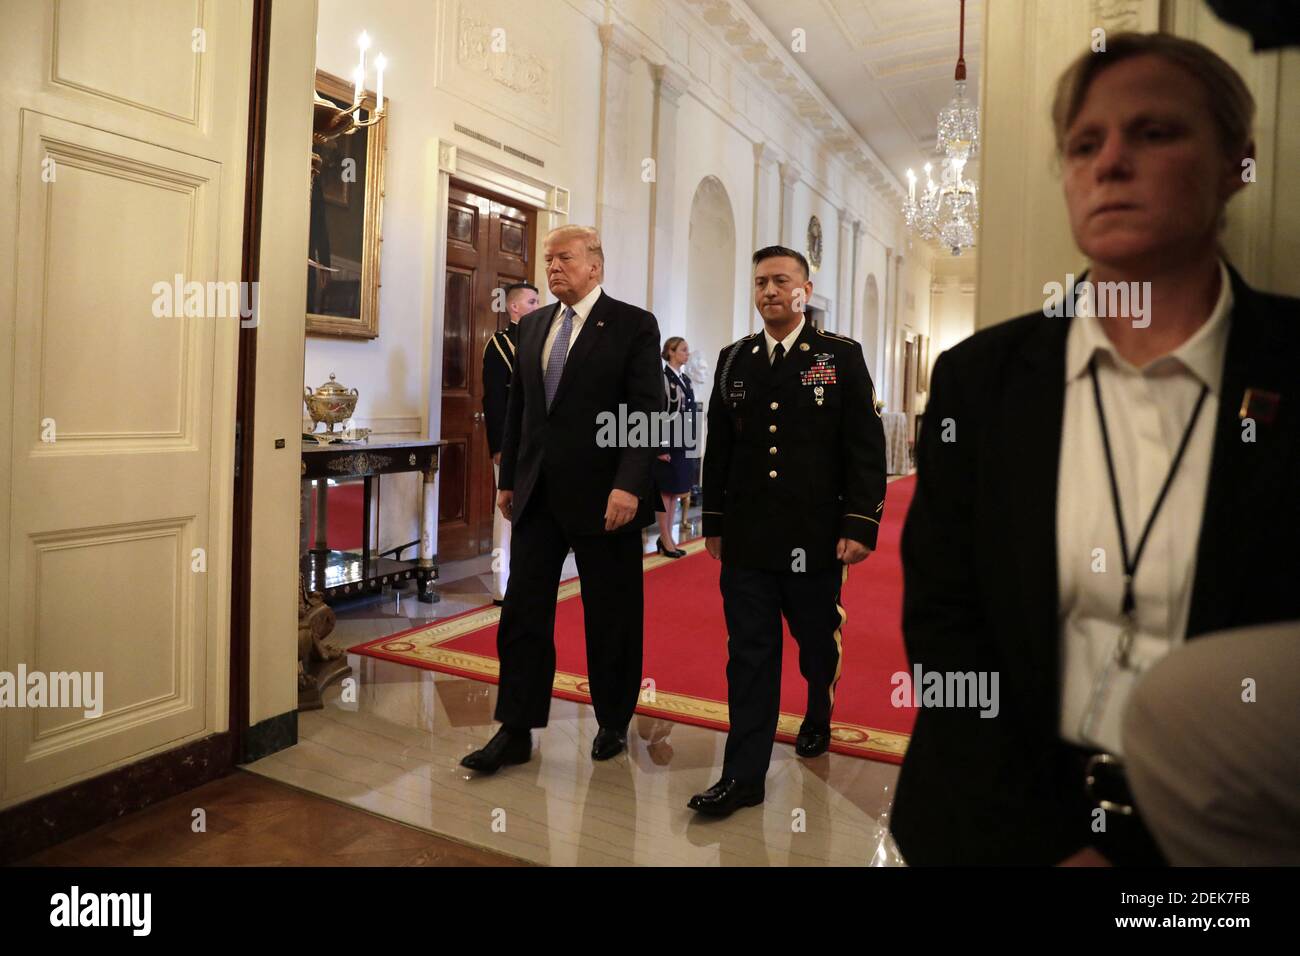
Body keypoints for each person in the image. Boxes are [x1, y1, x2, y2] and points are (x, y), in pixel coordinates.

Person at [890, 33, 1300, 865]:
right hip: (989, 821)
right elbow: (944, 625)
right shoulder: (983, 379)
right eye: (1085, 144)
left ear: (1236, 164)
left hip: (1219, 836)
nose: (1109, 162)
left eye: (1153, 133)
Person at [688, 245, 887, 816]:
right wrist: (716, 523)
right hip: (749, 539)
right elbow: (719, 451)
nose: (769, 291)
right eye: (760, 283)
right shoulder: (734, 360)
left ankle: (818, 712)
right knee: (749, 655)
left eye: (780, 281)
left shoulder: (838, 357)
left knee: (816, 643)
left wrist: (860, 523)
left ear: (805, 289)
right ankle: (743, 775)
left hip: (814, 537)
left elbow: (863, 448)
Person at [461, 226, 663, 773]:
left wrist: (629, 483)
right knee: (524, 613)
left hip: (606, 498)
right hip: (537, 496)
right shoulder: (534, 328)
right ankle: (517, 728)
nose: (553, 267)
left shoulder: (632, 325)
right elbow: (521, 410)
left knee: (611, 614)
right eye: (548, 259)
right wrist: (508, 479)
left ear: (595, 265)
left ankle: (613, 720)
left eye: (565, 257)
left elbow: (646, 413)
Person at [482, 281, 539, 604]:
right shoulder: (499, 344)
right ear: (514, 307)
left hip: (539, 441)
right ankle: (501, 585)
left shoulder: (543, 339)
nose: (537, 306)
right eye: (531, 301)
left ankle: (526, 578)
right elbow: (493, 400)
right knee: (505, 513)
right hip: (511, 443)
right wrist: (499, 447)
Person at [651, 336, 696, 558]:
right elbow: (657, 413)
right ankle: (665, 538)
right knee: (665, 492)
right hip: (667, 441)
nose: (687, 353)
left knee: (675, 492)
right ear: (670, 351)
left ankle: (667, 536)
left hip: (682, 442)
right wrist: (660, 446)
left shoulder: (684, 379)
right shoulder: (662, 378)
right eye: (683, 350)